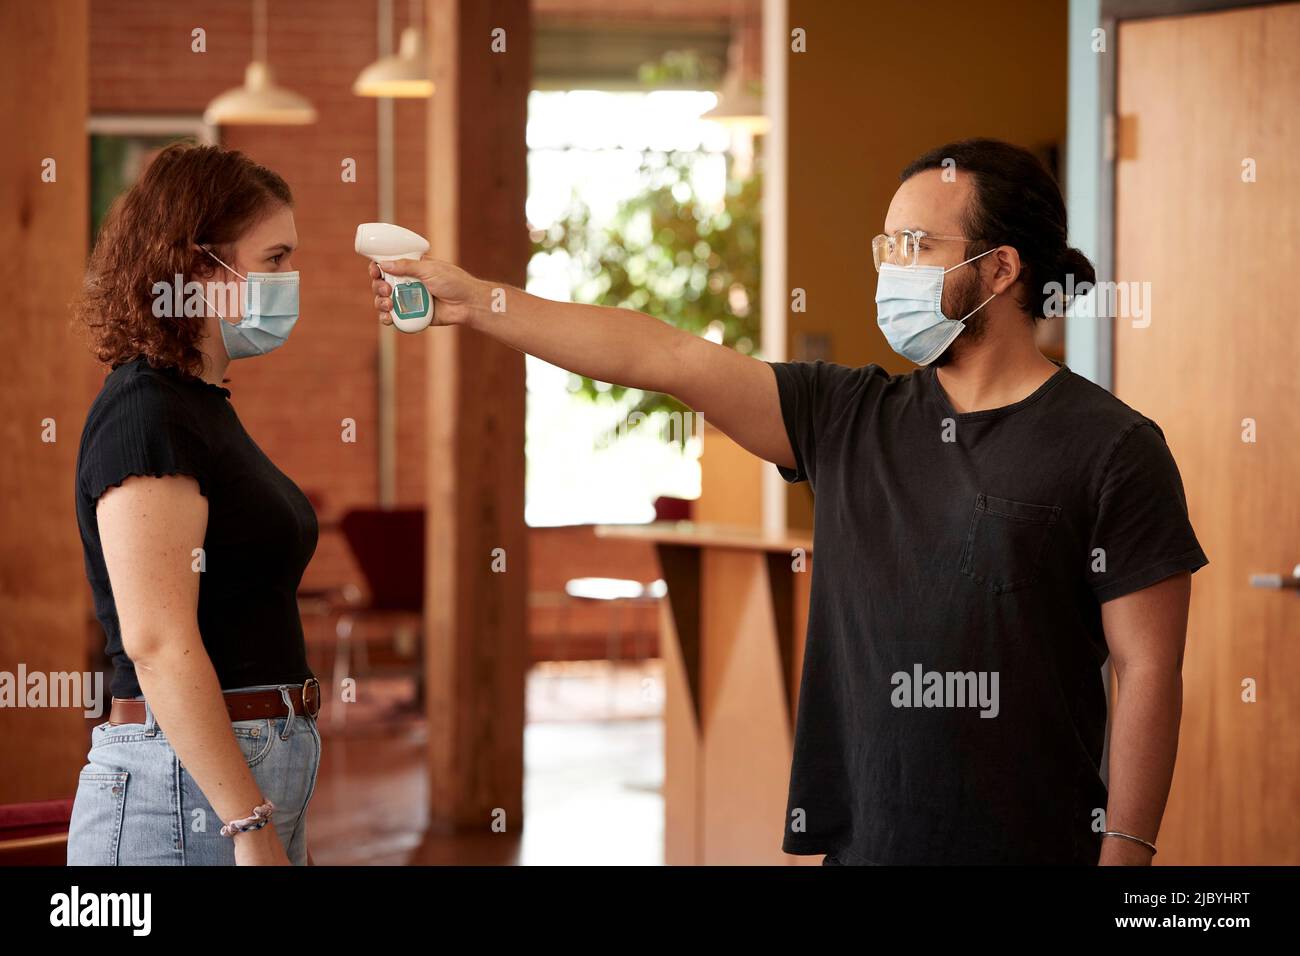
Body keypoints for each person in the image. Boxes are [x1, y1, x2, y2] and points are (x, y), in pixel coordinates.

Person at [369, 138, 1207, 865]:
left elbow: (1149, 669)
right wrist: (479, 301)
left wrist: (1126, 852)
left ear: (999, 268)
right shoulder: (843, 415)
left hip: (1036, 849)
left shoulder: (1114, 448)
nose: (890, 267)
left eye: (916, 243)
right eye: (885, 243)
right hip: (864, 844)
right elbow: (662, 355)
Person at [68, 143, 321, 866]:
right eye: (274, 259)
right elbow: (157, 642)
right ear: (201, 268)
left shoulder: (200, 405)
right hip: (182, 789)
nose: (289, 281)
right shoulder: (147, 410)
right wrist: (248, 824)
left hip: (235, 773)